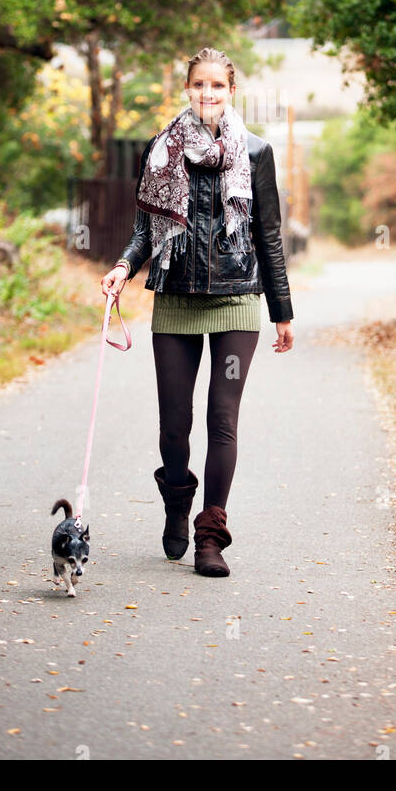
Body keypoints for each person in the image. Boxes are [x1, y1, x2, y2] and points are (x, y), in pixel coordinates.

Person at [100, 45, 294, 578]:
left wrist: (283, 310)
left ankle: (211, 536)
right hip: (176, 297)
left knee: (222, 418)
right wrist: (123, 267)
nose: (208, 93)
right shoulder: (161, 149)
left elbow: (268, 235)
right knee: (174, 423)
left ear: (232, 92)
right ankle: (177, 499)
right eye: (199, 85)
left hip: (237, 299)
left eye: (218, 85)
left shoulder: (255, 152)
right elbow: (146, 229)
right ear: (188, 89)